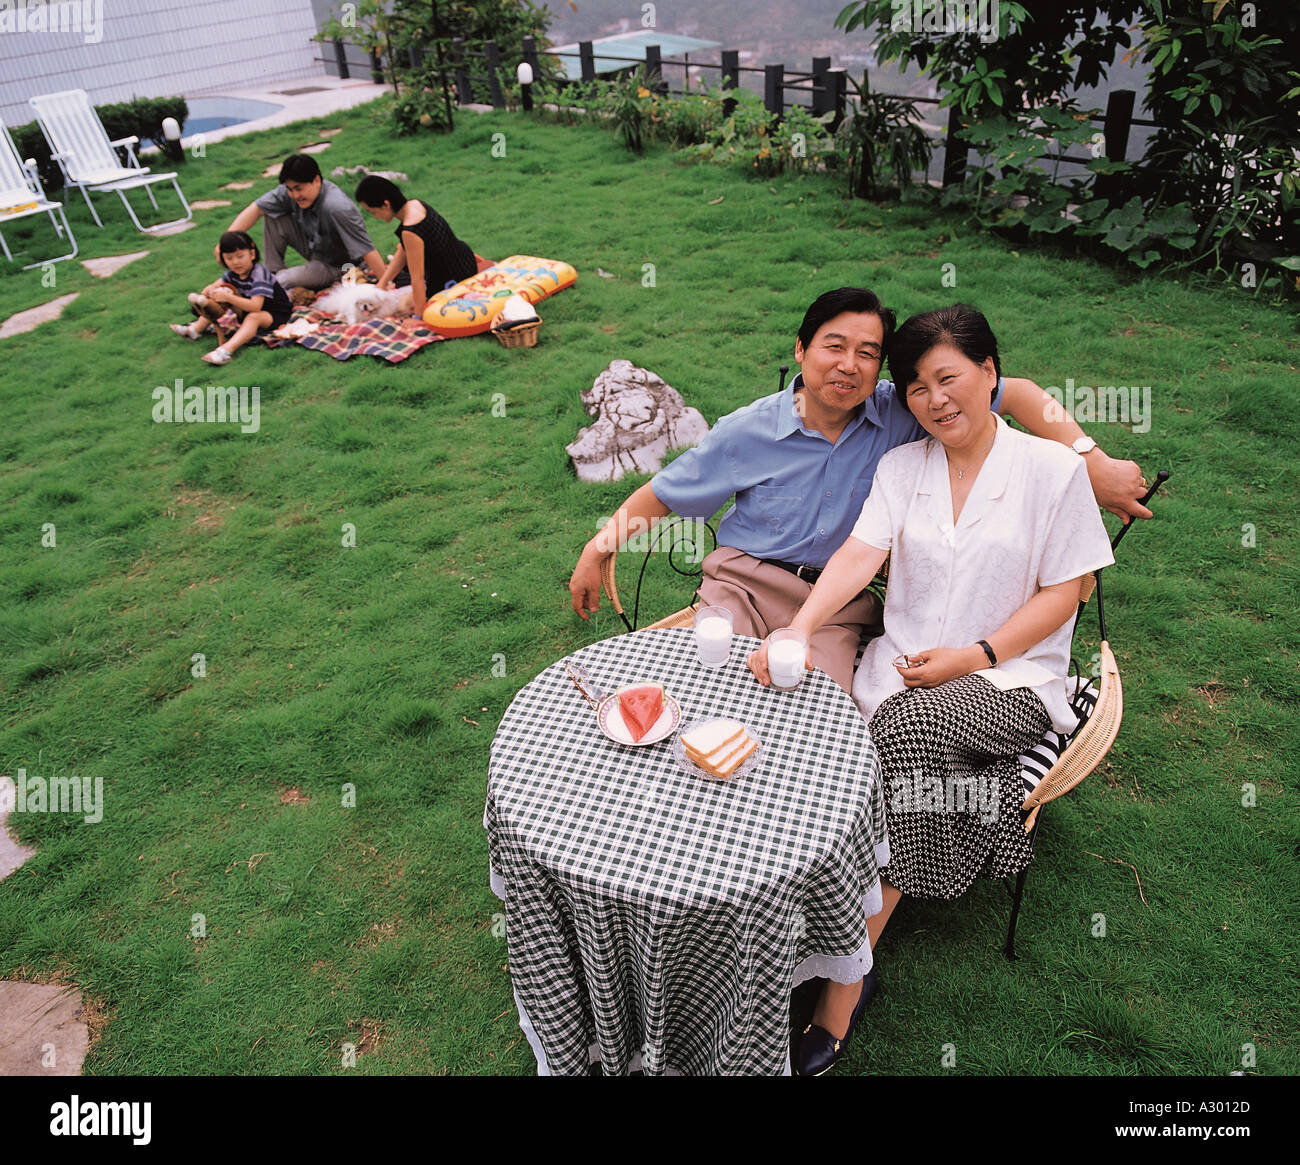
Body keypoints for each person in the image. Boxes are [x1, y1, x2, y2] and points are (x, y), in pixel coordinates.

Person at [747, 304, 1116, 1076]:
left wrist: (976, 655)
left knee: (906, 739)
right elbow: (858, 553)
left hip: (1012, 678)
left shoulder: (1050, 472)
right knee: (815, 743)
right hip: (902, 665)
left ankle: (841, 981)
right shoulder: (903, 468)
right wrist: (803, 626)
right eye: (914, 387)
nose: (933, 400)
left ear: (990, 373)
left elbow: (1069, 590)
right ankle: (812, 927)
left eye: (948, 378)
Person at [568, 287, 1150, 694]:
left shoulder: (908, 411)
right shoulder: (748, 431)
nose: (848, 365)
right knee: (715, 683)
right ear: (801, 349)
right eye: (833, 345)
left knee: (821, 712)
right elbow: (667, 492)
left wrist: (1090, 460)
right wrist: (599, 548)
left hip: (838, 601)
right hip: (741, 584)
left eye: (867, 353)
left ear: (881, 371)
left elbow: (1018, 394)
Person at [218, 155, 386, 290]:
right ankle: (271, 273)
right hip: (314, 249)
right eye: (290, 189)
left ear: (317, 181)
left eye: (298, 189)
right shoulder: (291, 192)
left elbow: (366, 249)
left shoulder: (337, 207)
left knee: (283, 280)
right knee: (272, 215)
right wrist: (224, 244)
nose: (294, 195)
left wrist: (386, 283)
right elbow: (256, 208)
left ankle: (266, 285)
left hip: (340, 265)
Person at [354, 175, 478, 326]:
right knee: (399, 277)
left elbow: (417, 278)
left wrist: (418, 318)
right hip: (464, 259)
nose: (374, 217)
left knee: (405, 282)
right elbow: (404, 250)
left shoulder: (410, 231)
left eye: (373, 212)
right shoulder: (415, 204)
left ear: (385, 204)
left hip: (451, 279)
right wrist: (383, 282)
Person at [171, 230, 293, 365]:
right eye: (229, 258)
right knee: (215, 302)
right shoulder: (232, 273)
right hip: (247, 310)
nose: (235, 262)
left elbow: (255, 306)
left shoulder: (259, 275)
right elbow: (215, 285)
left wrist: (229, 298)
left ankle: (225, 351)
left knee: (253, 316)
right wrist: (211, 290)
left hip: (274, 314)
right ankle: (195, 329)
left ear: (252, 254)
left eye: (240, 256)